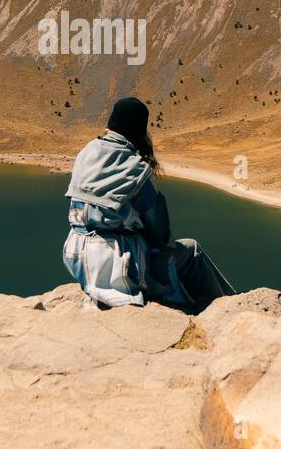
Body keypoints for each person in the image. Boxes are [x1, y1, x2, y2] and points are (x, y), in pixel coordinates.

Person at [62, 97, 236, 312]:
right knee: (192, 251)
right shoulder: (137, 170)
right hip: (118, 264)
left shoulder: (86, 152)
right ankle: (225, 309)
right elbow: (159, 233)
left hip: (76, 253)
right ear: (139, 131)